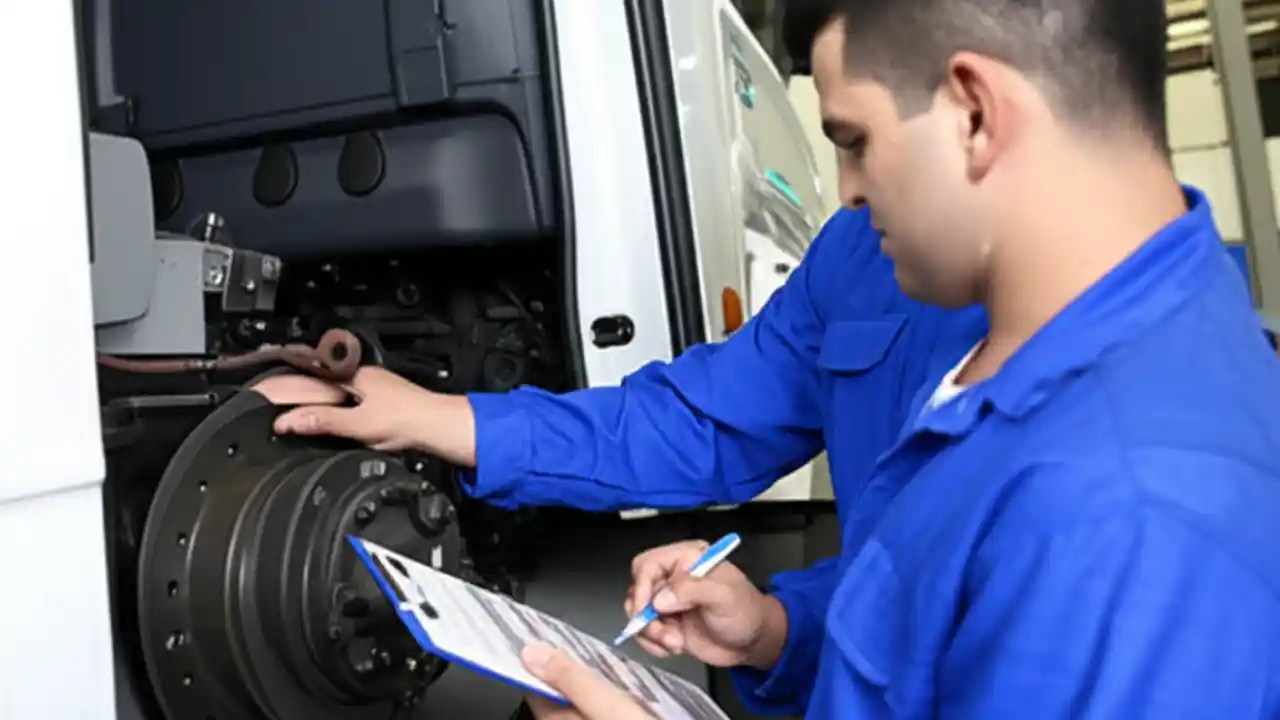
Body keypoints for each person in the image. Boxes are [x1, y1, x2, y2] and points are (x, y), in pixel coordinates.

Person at [268, 1, 1280, 718]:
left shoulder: (1146, 511)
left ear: (974, 112)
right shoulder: (889, 265)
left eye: (853, 138)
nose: (841, 189)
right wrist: (774, 633)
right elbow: (946, 602)